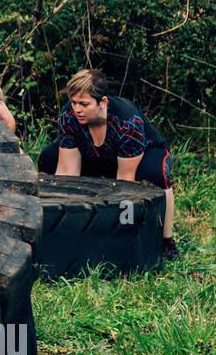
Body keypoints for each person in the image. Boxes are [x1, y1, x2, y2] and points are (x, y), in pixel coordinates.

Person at [37, 69, 178, 259]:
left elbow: (125, 183)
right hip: (100, 156)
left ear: (102, 102)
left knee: (156, 172)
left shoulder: (127, 122)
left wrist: (118, 233)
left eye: (84, 104)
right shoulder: (69, 116)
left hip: (141, 157)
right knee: (49, 157)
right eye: (74, 102)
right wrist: (66, 222)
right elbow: (67, 173)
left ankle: (167, 241)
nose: (77, 109)